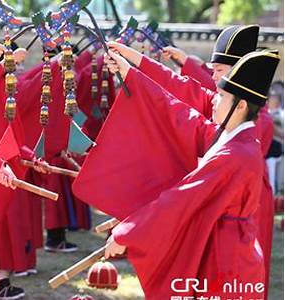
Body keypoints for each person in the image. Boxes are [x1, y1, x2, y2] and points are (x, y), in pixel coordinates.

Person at [99, 45, 279, 299]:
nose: (213, 99)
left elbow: (181, 200)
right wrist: (132, 70)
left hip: (225, 261)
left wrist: (127, 233)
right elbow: (176, 106)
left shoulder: (234, 153)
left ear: (240, 107)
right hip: (227, 250)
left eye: (220, 96)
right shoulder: (236, 140)